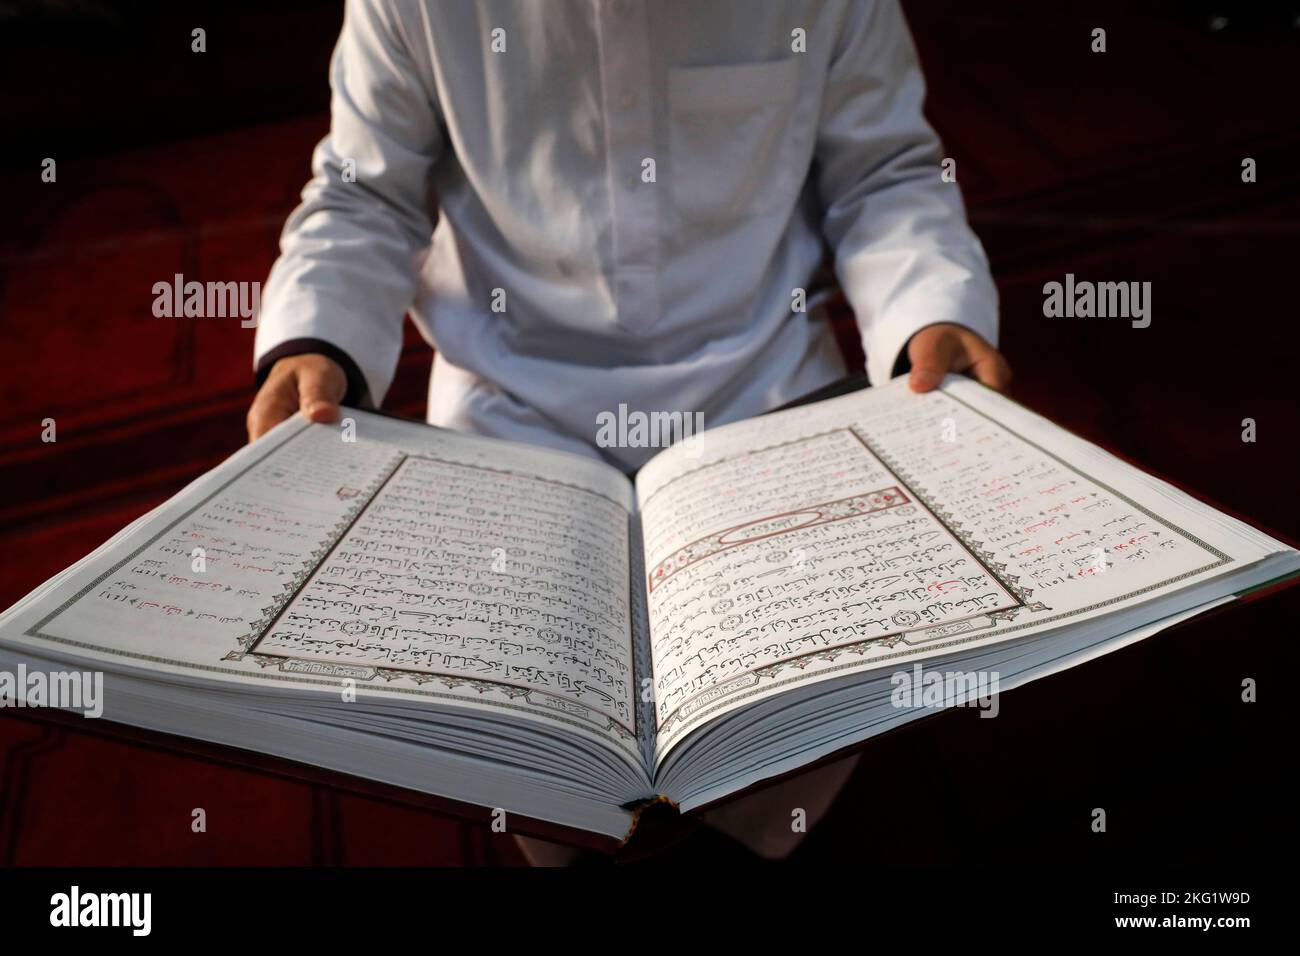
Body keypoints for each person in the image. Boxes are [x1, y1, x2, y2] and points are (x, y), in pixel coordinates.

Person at [247, 0, 1011, 864]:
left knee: (793, 707)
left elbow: (884, 176)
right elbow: (366, 197)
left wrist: (927, 315)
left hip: (761, 390)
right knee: (535, 727)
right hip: (512, 400)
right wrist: (318, 341)